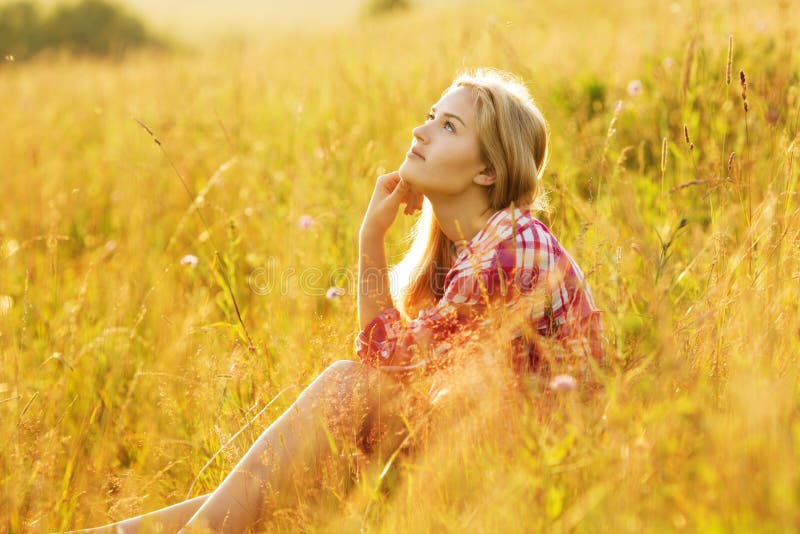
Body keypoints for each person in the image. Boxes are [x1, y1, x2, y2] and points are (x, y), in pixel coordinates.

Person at [73, 67, 603, 533]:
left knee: (344, 391)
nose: (420, 130)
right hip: (487, 460)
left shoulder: (515, 247)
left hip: (544, 483)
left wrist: (370, 241)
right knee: (314, 467)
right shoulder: (470, 250)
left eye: (448, 127)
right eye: (430, 116)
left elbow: (384, 364)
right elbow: (400, 377)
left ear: (487, 171)